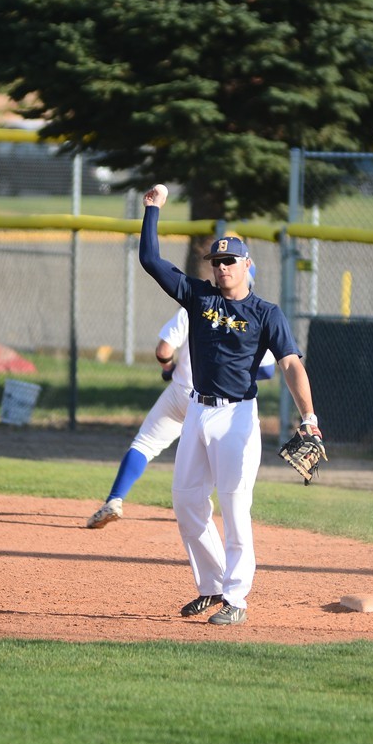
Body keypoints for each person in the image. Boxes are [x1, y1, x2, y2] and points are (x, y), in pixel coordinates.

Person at [137, 183, 319, 626]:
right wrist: (153, 210)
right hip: (197, 410)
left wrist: (309, 416)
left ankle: (237, 598)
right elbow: (151, 260)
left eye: (229, 261)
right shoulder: (199, 296)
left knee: (236, 508)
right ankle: (213, 585)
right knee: (186, 502)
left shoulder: (266, 313)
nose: (221, 268)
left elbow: (291, 365)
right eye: (216, 262)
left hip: (237, 416)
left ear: (246, 265)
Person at [85, 305, 275, 528]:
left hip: (183, 392)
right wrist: (233, 373)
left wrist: (168, 368)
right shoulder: (253, 315)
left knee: (145, 443)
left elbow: (163, 350)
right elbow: (267, 370)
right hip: (222, 401)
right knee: (215, 454)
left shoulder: (196, 306)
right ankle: (203, 508)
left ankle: (115, 500)